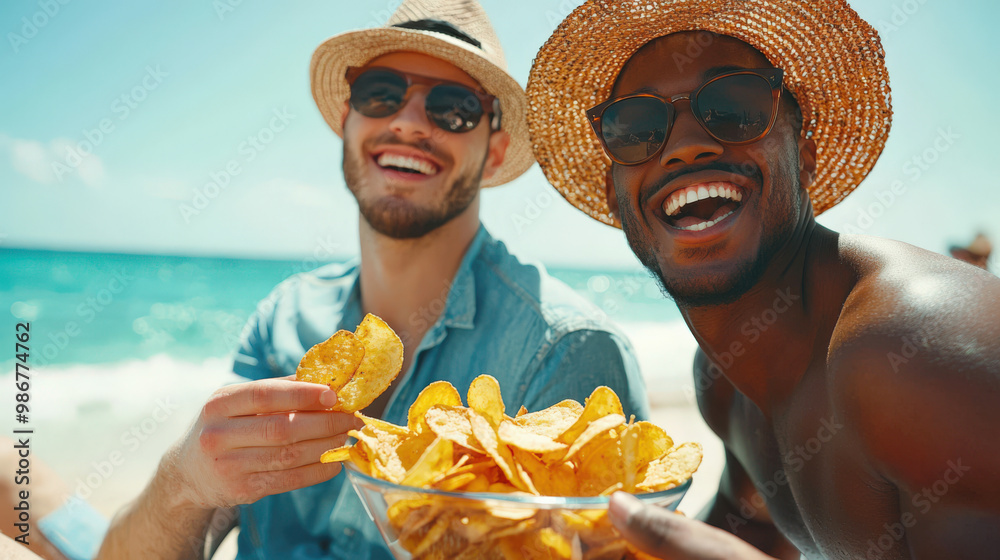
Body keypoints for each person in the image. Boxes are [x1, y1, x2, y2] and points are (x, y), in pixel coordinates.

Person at [99, 0, 649, 558]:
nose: (408, 122)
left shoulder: (567, 351)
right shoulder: (284, 319)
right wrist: (183, 484)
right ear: (348, 119)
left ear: (494, 152)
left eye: (453, 107)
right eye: (380, 93)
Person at [528, 0, 1000, 558]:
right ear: (615, 195)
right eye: (638, 127)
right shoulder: (725, 383)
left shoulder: (913, 349)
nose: (684, 147)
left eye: (733, 106)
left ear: (805, 158)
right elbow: (749, 529)